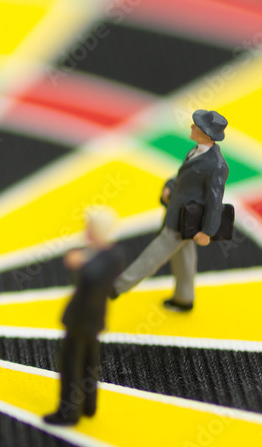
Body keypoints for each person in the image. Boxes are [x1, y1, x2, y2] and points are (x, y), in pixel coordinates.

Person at [111, 109, 229, 312]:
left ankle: (115, 288)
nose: (192, 126)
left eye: (197, 126)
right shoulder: (196, 151)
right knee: (184, 259)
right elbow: (182, 178)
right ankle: (184, 298)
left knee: (153, 255)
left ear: (207, 134)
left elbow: (215, 201)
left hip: (186, 219)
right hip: (179, 214)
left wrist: (208, 231)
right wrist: (170, 185)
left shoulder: (216, 165)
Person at [44, 207, 123, 426]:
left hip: (81, 319)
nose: (85, 230)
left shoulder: (94, 262)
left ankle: (68, 412)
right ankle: (89, 405)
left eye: (89, 227)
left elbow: (88, 280)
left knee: (71, 365)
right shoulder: (114, 255)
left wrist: (78, 264)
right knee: (90, 363)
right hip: (95, 319)